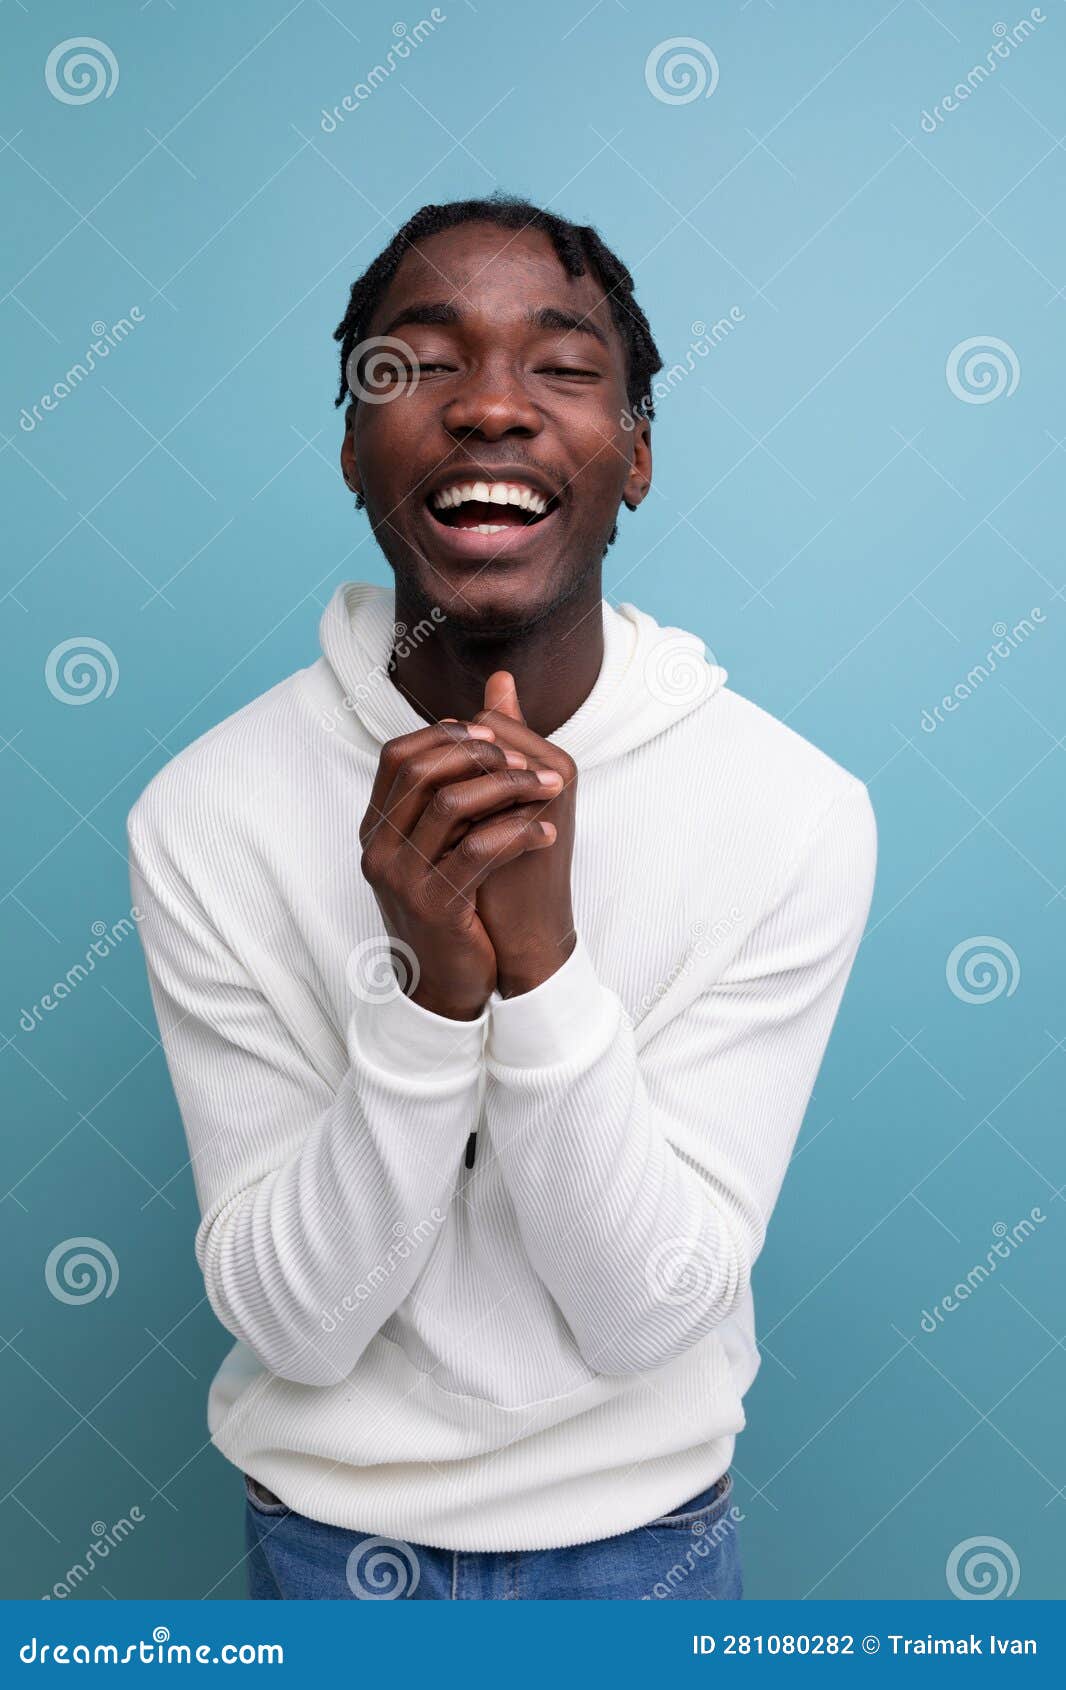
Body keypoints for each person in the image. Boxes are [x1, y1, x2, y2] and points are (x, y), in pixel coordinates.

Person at [127, 194, 877, 1601]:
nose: (488, 407)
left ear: (635, 454)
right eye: (415, 367)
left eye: (564, 366)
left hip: (647, 1553)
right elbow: (299, 1326)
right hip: (328, 1552)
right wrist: (428, 1003)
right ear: (353, 449)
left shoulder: (792, 812)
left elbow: (644, 1315)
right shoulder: (204, 812)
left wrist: (541, 967)